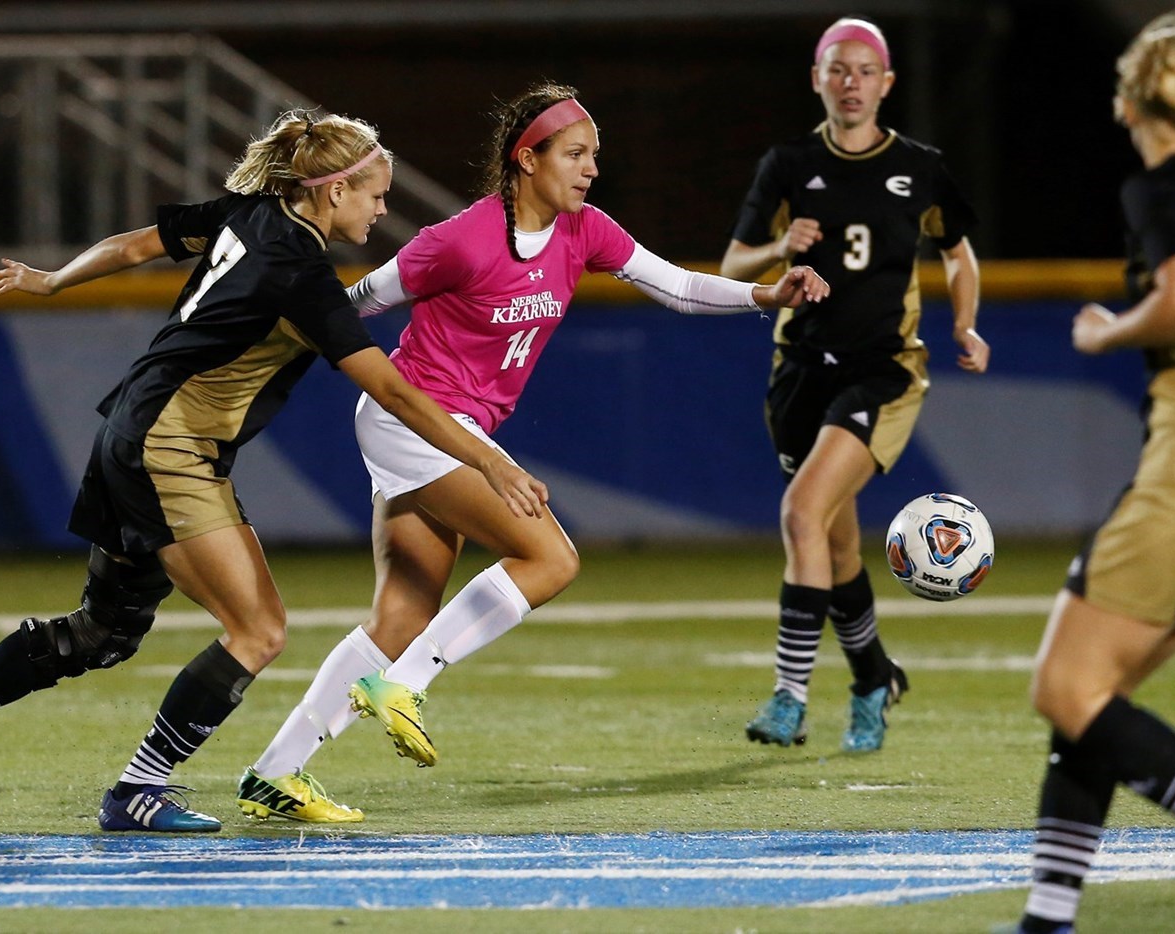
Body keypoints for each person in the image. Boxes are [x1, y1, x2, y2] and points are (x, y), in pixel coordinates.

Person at [0, 108, 550, 833]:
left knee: (103, 632)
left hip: (133, 431)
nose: (383, 207)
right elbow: (391, 390)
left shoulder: (248, 215)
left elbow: (136, 244)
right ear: (331, 192)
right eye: (373, 192)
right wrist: (487, 460)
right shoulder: (301, 274)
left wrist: (53, 282)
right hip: (169, 450)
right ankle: (139, 788)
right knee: (257, 630)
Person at [233, 81, 831, 823]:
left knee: (401, 617)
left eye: (594, 156)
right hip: (415, 422)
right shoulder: (457, 239)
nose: (590, 170)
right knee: (552, 558)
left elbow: (675, 286)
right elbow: (353, 307)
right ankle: (404, 685)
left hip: (447, 432)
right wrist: (258, 343)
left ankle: (274, 772)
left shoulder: (585, 231)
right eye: (575, 154)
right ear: (527, 159)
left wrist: (766, 297)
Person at [720, 16, 989, 753]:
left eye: (865, 71)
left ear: (886, 84)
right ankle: (873, 675)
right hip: (800, 373)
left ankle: (789, 696)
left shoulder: (921, 166)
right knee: (833, 547)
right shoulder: (788, 163)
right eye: (837, 69)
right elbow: (732, 266)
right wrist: (781, 246)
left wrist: (965, 323)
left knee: (802, 512)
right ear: (817, 79)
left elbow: (959, 252)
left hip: (883, 371)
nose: (851, 83)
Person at [1015, 15, 1175, 933]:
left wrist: (1104, 329)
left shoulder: (1162, 184)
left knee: (1067, 687)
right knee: (1091, 696)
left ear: (1135, 96)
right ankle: (1049, 915)